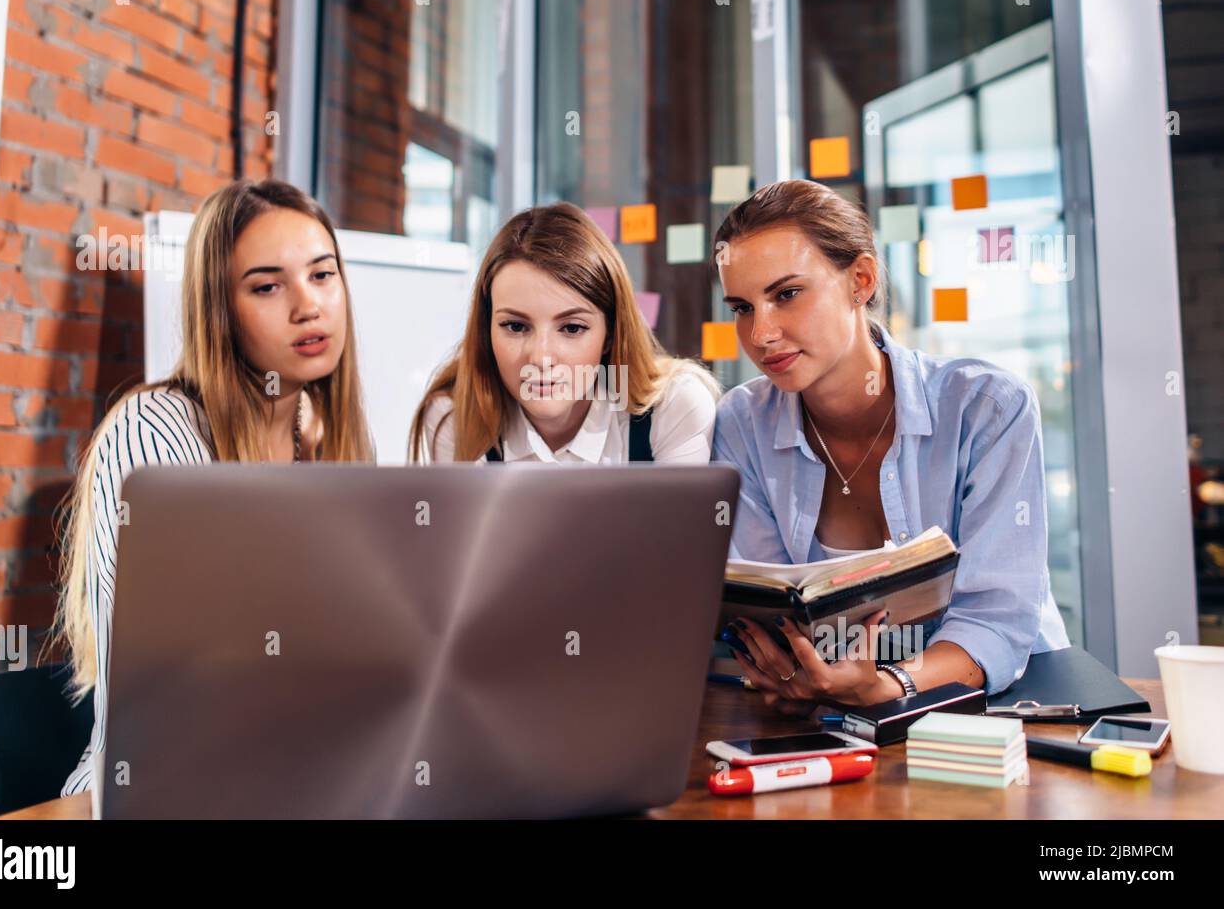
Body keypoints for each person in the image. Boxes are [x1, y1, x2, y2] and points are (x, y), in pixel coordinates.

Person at [54, 179, 375, 795]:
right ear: (219, 310)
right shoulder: (154, 434)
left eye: (322, 275)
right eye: (267, 286)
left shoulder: (334, 442)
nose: (308, 306)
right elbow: (173, 686)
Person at [711, 179, 1069, 713]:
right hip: (826, 714)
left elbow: (994, 619)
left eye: (786, 294)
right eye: (742, 307)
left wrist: (888, 685)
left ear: (860, 279)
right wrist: (797, 671)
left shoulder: (986, 407)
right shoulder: (742, 423)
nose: (761, 333)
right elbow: (772, 612)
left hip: (1001, 711)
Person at [409, 203, 719, 465]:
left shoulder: (674, 407)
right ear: (486, 329)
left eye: (572, 328)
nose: (541, 358)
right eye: (515, 327)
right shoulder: (455, 415)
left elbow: (681, 538)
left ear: (610, 333)